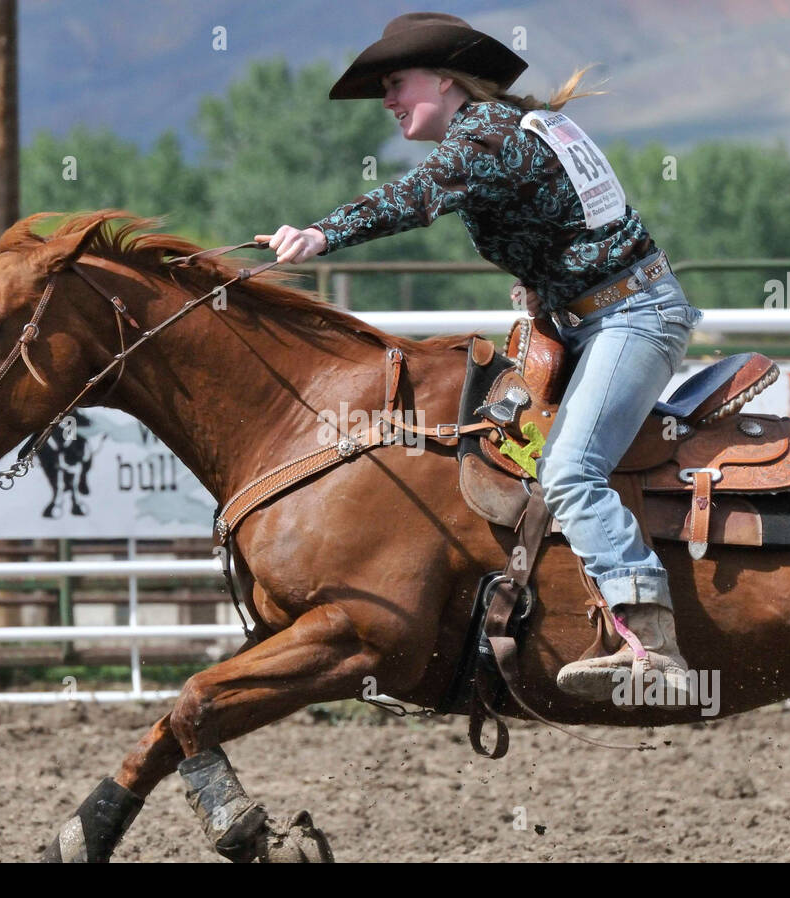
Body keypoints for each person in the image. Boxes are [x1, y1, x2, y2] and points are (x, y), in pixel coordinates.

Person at [256, 12, 702, 707]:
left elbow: (414, 196)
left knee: (569, 470)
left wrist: (322, 233)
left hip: (629, 316)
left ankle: (651, 637)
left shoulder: (486, 137)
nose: (388, 101)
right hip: (600, 316)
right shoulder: (514, 126)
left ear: (444, 79)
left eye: (396, 83)